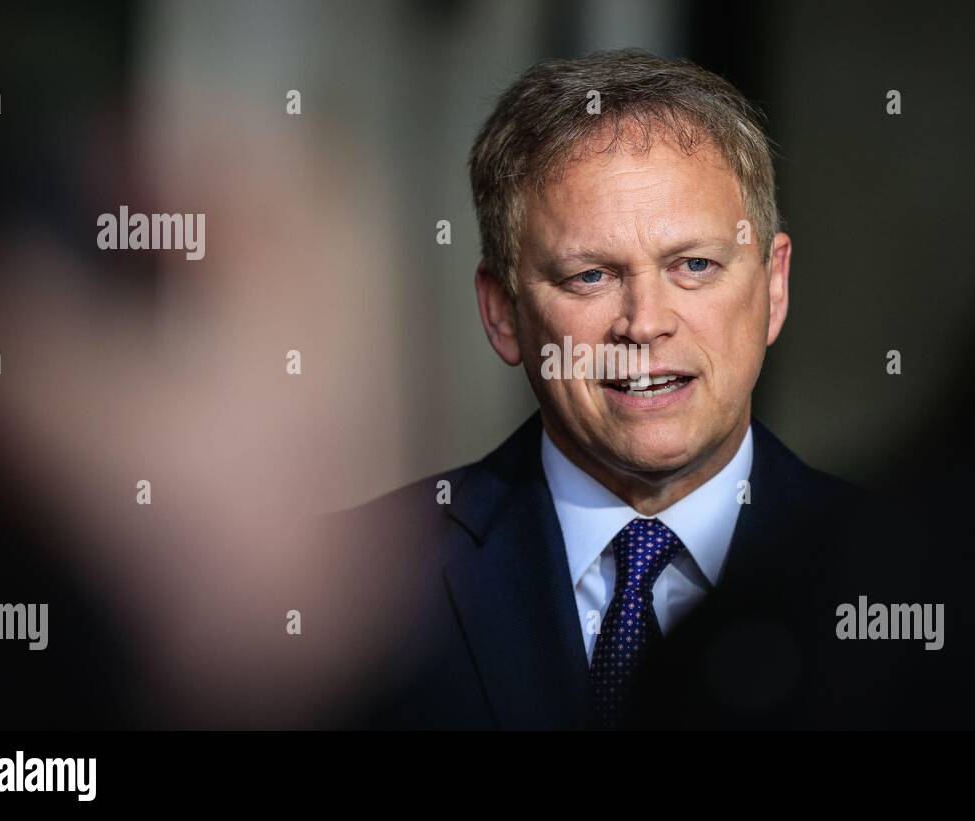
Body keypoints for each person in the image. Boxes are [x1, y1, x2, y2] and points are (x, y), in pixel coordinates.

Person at [330, 49, 872, 730]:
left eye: (695, 265)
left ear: (773, 285)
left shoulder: (909, 586)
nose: (645, 323)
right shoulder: (351, 604)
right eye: (589, 275)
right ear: (502, 313)